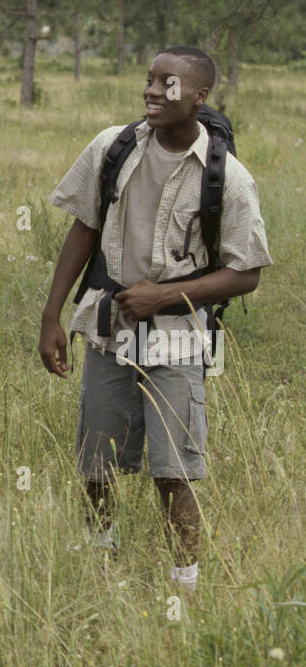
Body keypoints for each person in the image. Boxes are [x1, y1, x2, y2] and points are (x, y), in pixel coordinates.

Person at [39, 46, 271, 592]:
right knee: (96, 460)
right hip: (107, 328)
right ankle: (99, 558)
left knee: (175, 469)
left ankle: (183, 584)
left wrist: (163, 298)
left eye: (168, 84)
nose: (152, 91)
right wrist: (53, 316)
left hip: (178, 340)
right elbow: (83, 229)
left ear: (199, 96)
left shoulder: (228, 178)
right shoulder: (112, 148)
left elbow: (247, 273)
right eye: (149, 80)